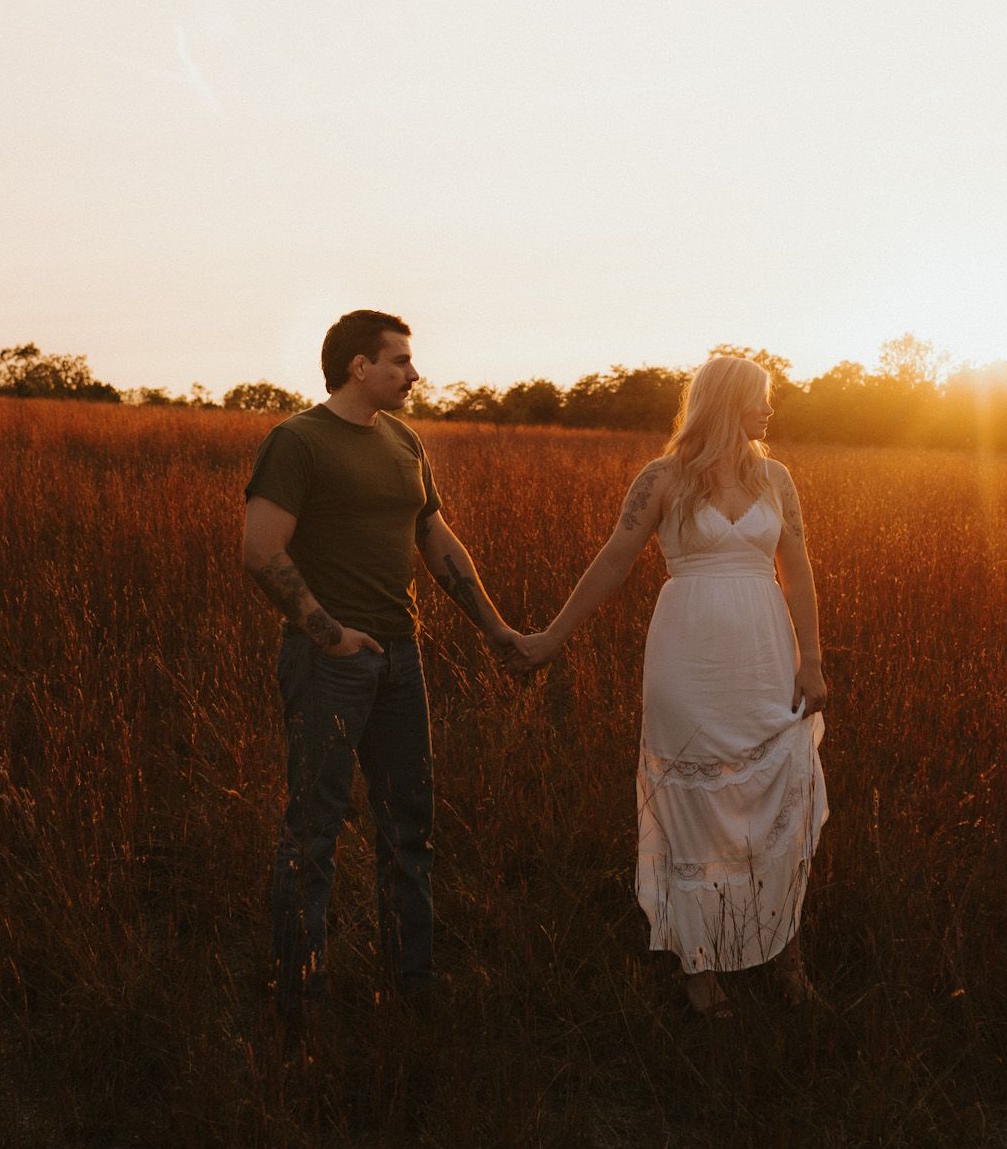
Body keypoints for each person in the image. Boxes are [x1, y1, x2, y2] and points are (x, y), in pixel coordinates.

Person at [509, 355, 828, 1016]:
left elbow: (796, 570)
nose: (770, 410)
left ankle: (784, 959)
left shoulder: (774, 477)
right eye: (759, 398)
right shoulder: (662, 478)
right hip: (689, 658)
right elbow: (612, 563)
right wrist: (552, 635)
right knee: (694, 806)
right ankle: (697, 965)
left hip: (765, 656)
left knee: (779, 804)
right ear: (725, 401)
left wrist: (812, 660)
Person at [243, 309, 518, 1018]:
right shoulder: (297, 441)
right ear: (357, 367)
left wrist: (492, 628)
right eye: (397, 361)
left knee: (408, 826)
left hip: (402, 658)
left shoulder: (404, 439)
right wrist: (328, 632)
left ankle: (411, 987)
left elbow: (435, 538)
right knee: (314, 831)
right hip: (328, 662)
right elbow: (261, 549)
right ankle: (299, 996)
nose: (412, 374)